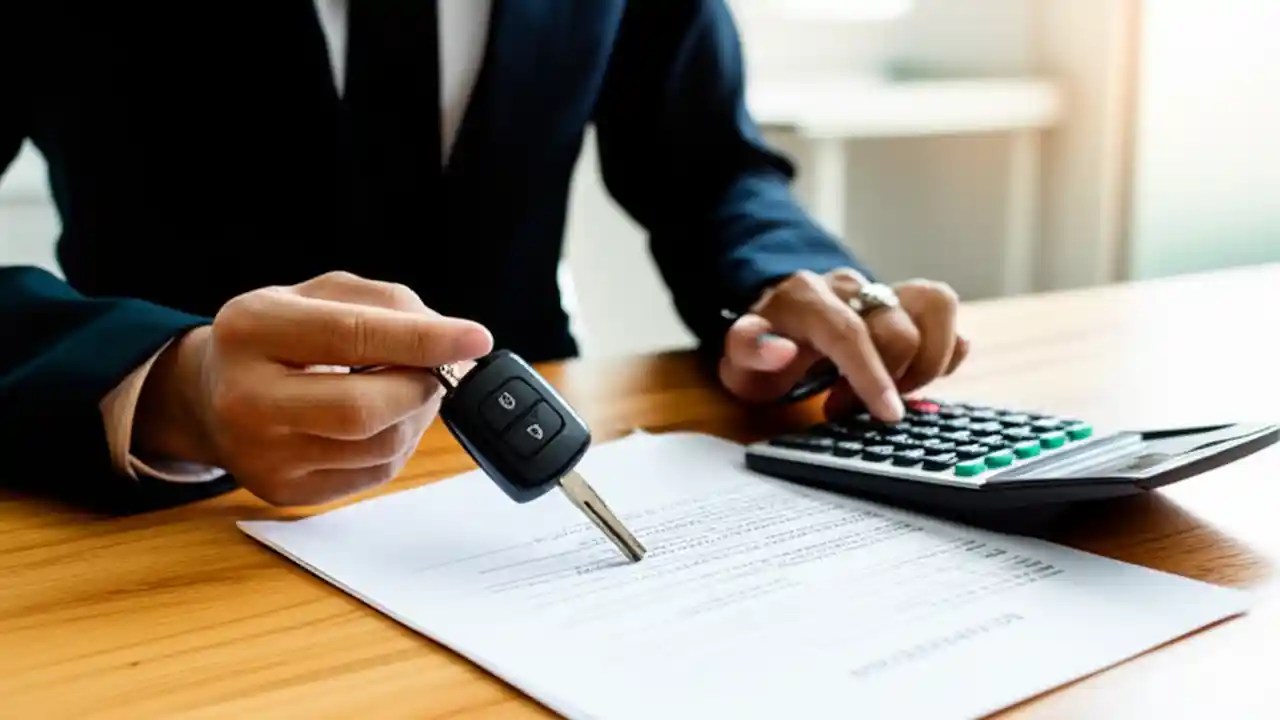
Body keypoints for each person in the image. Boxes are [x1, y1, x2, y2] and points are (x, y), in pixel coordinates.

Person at [0, 0, 966, 513]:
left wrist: (781, 280)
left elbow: (709, 165)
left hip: (522, 478)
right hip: (159, 518)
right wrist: (159, 382)